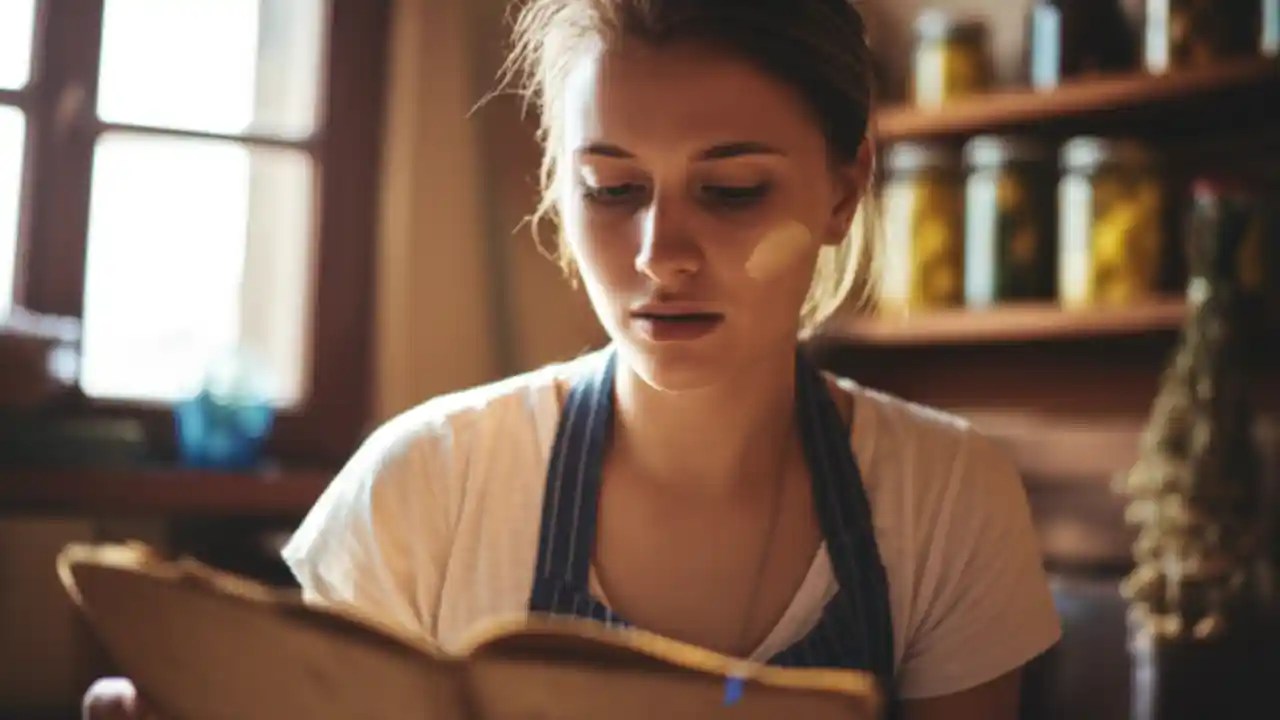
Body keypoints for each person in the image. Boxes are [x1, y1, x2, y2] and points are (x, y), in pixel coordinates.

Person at [83, 1, 1061, 718]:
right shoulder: (423, 486)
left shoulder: (942, 497)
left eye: (729, 190)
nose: (658, 255)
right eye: (610, 188)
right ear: (556, 185)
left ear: (844, 191)